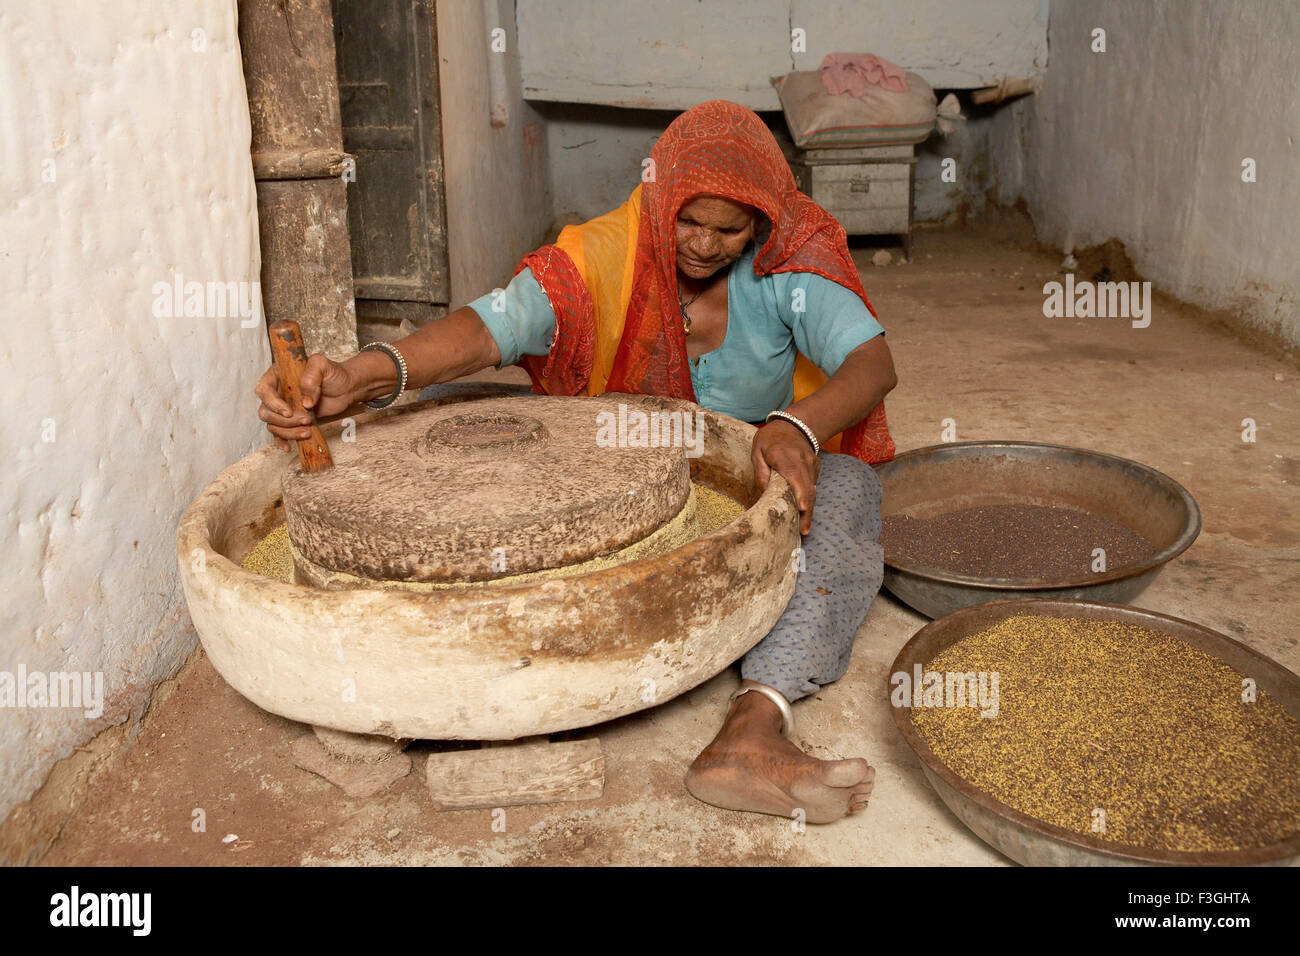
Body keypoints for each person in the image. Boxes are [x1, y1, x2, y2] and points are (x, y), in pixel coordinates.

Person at [255, 100, 898, 824]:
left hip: (744, 474)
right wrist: (363, 376)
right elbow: (493, 326)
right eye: (688, 220)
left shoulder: (788, 268)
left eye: (730, 229)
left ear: (763, 223)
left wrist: (796, 427)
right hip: (611, 473)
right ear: (660, 199)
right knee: (469, 407)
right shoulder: (606, 254)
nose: (705, 245)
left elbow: (872, 364)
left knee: (847, 491)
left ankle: (753, 727)